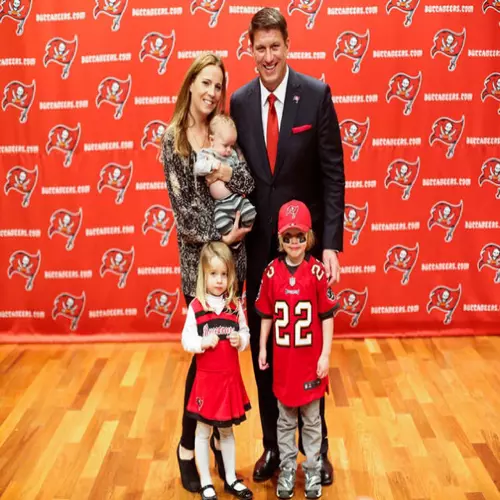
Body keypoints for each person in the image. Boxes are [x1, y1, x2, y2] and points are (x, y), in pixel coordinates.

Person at [230, 7, 345, 485]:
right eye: (260, 47)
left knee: (308, 346)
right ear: (250, 49)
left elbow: (333, 174)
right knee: (267, 352)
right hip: (258, 251)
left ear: (288, 45)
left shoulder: (315, 95)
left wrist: (332, 246)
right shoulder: (236, 102)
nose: (268, 55)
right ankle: (273, 448)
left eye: (276, 46)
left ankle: (314, 452)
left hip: (307, 246)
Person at [161, 52, 254, 493]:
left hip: (233, 267)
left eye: (219, 85)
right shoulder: (173, 139)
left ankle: (217, 441)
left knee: (228, 359)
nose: (213, 93)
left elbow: (249, 185)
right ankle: (186, 445)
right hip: (200, 269)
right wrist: (226, 240)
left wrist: (223, 170)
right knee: (205, 358)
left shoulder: (225, 134)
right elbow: (184, 215)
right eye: (206, 83)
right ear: (191, 84)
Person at [256, 201, 338, 499]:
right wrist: (263, 347)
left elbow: (327, 317)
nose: (294, 242)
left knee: (312, 422)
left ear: (309, 238)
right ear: (280, 237)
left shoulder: (316, 272)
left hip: (309, 363)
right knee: (285, 421)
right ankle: (288, 469)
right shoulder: (271, 273)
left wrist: (326, 354)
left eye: (299, 237)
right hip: (285, 365)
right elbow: (265, 314)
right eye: (288, 237)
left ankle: (313, 470)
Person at [182, 242, 253, 500]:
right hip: (206, 382)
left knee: (227, 431)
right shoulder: (197, 308)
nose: (219, 280)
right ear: (204, 275)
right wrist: (201, 343)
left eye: (224, 274)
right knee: (202, 430)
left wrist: (240, 341)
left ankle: (231, 478)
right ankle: (206, 482)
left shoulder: (234, 306)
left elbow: (245, 333)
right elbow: (186, 340)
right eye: (214, 274)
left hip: (229, 381)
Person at [194, 114, 257, 248]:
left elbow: (244, 175)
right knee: (221, 222)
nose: (229, 150)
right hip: (220, 204)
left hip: (235, 197)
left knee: (248, 209)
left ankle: (245, 224)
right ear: (212, 140)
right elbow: (197, 168)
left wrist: (228, 172)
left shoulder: (233, 154)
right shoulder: (207, 154)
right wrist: (210, 166)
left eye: (232, 146)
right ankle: (232, 236)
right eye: (225, 146)